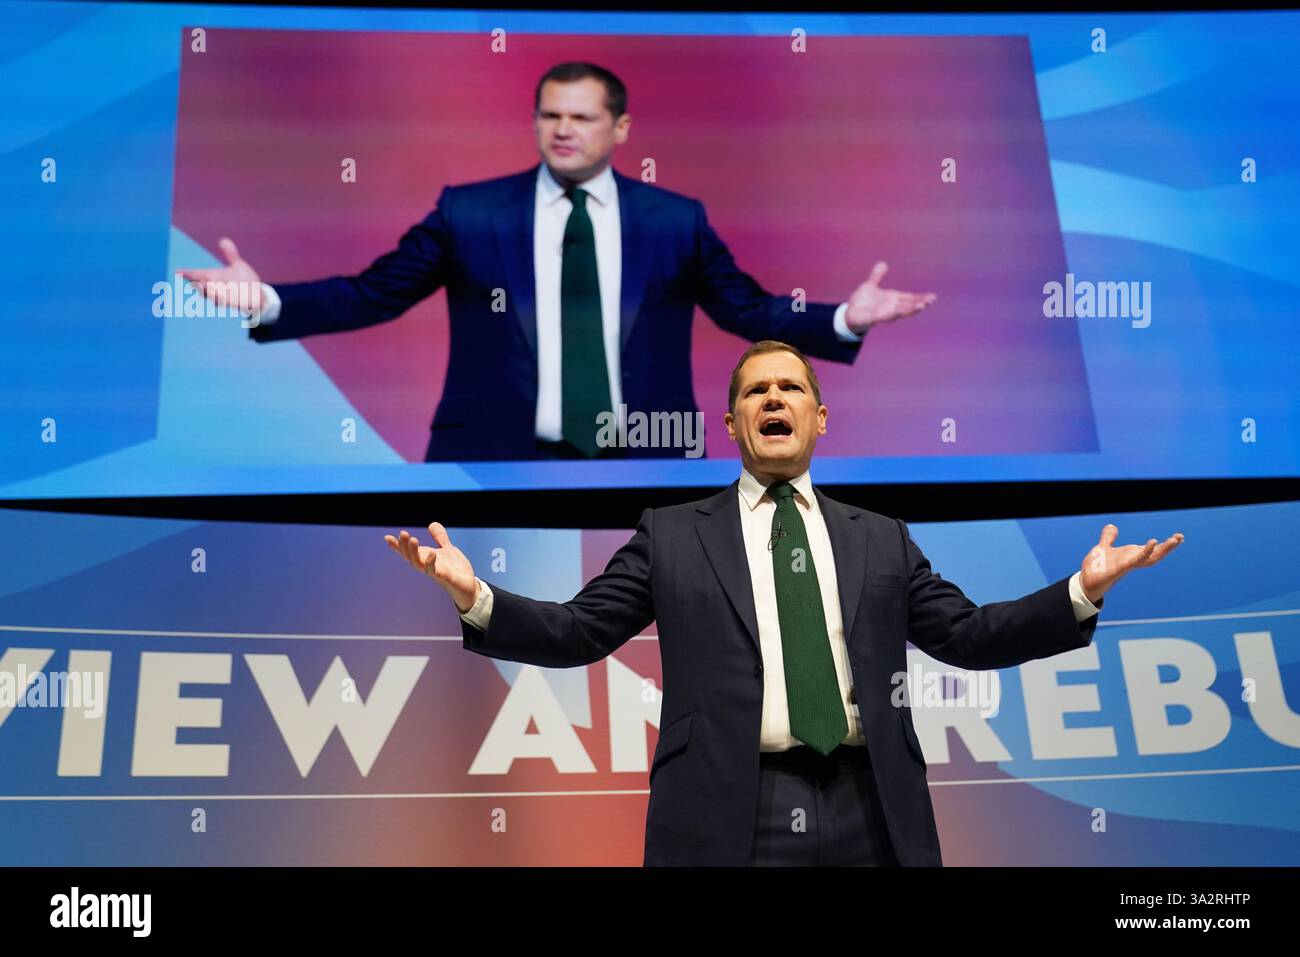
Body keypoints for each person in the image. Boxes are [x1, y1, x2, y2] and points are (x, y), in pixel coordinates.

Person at [384, 339, 1184, 865]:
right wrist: (477, 593)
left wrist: (1081, 590)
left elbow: (969, 634)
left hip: (871, 804)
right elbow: (580, 629)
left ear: (819, 416)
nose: (775, 398)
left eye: (791, 387)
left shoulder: (880, 536)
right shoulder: (671, 533)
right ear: (732, 422)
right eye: (756, 390)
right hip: (733, 807)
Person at [181, 61, 936, 462]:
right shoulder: (468, 211)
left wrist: (840, 316)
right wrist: (267, 299)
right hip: (491, 462)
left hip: (644, 461)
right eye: (549, 115)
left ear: (620, 127)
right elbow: (374, 294)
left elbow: (745, 309)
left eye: (581, 117)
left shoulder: (675, 220)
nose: (562, 130)